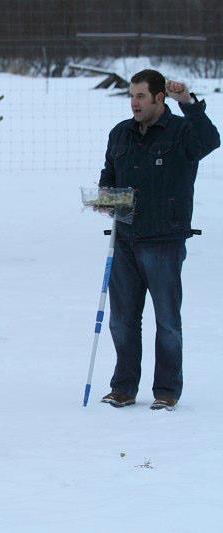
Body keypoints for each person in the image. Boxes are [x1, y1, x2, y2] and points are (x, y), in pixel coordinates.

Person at [98, 69, 220, 411]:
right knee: (122, 320)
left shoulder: (182, 132)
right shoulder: (120, 134)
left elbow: (211, 141)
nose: (134, 103)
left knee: (167, 320)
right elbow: (108, 175)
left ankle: (166, 391)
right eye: (131, 96)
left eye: (140, 96)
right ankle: (123, 387)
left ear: (158, 98)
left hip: (164, 240)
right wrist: (106, 199)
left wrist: (189, 104)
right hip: (124, 240)